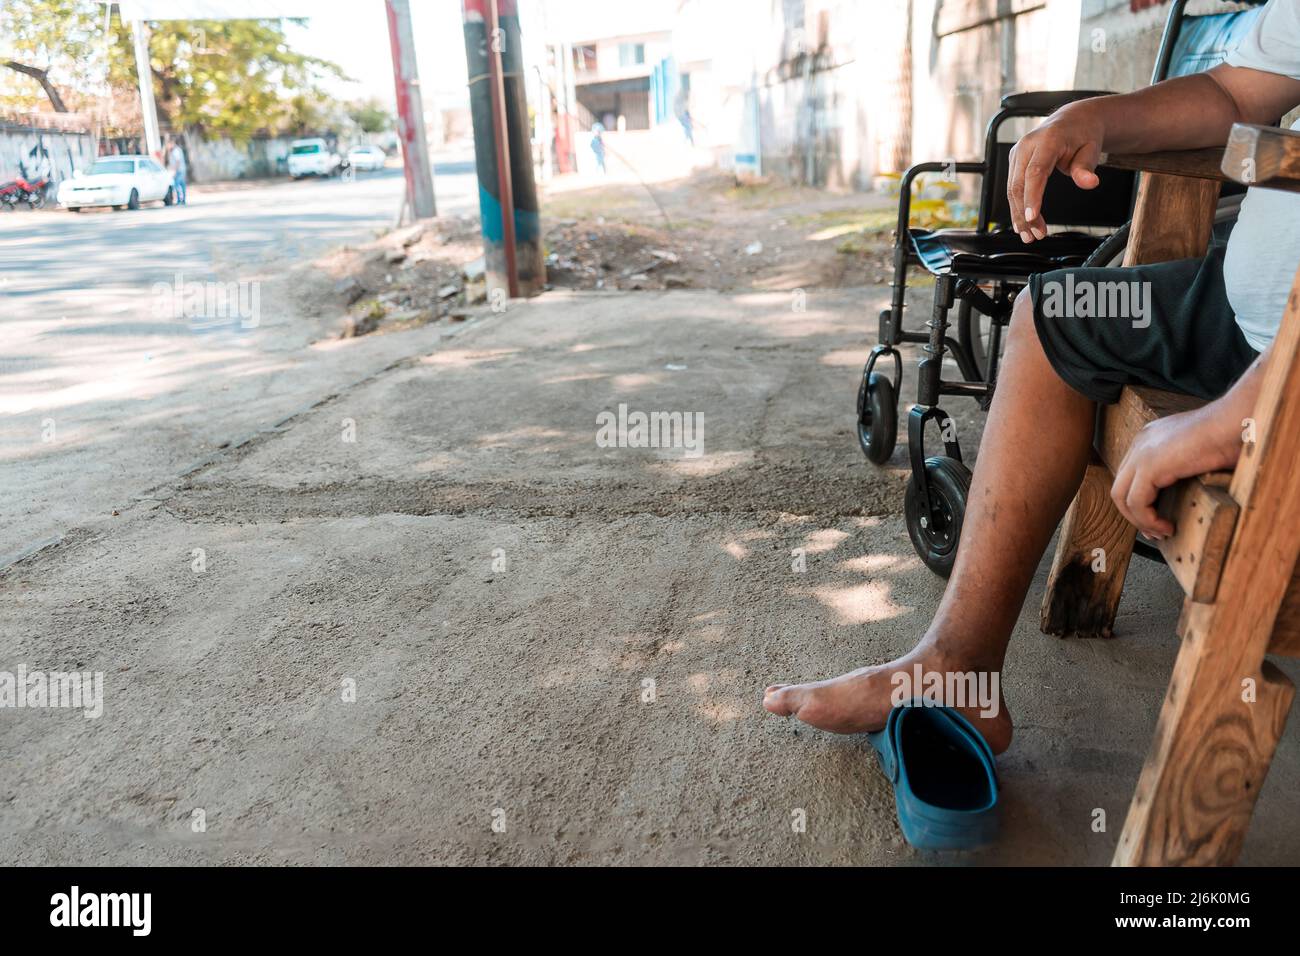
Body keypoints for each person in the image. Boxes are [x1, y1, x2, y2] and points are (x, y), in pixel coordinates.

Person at [763, 0, 1300, 755]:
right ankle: (960, 664)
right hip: (1236, 311)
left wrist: (1238, 416)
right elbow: (1239, 93)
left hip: (1287, 371)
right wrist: (1096, 120)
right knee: (1052, 313)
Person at [166, 137, 187, 205]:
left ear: (172, 144)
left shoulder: (176, 150)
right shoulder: (173, 150)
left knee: (177, 185)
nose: (168, 146)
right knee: (181, 185)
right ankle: (182, 200)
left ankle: (180, 200)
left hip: (179, 170)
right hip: (180, 170)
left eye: (169, 145)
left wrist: (175, 170)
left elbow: (178, 161)